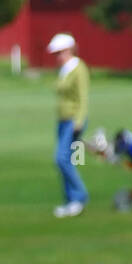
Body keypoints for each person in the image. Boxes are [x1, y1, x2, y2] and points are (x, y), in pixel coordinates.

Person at [47, 32, 90, 218]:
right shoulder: (64, 69)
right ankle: (70, 201)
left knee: (61, 159)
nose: (57, 57)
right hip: (63, 121)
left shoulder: (78, 69)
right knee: (68, 161)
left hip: (74, 121)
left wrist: (79, 121)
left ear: (69, 50)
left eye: (59, 53)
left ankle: (79, 196)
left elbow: (83, 97)